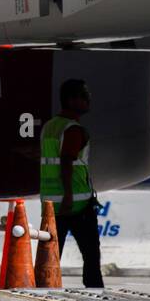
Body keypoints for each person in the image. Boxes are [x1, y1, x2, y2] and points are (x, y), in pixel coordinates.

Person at [39, 78, 104, 288]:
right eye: (84, 96)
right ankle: (95, 290)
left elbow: (50, 158)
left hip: (52, 205)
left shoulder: (50, 127)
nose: (88, 100)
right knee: (91, 253)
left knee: (51, 253)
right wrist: (68, 194)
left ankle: (44, 288)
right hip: (76, 204)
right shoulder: (73, 130)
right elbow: (67, 160)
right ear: (72, 100)